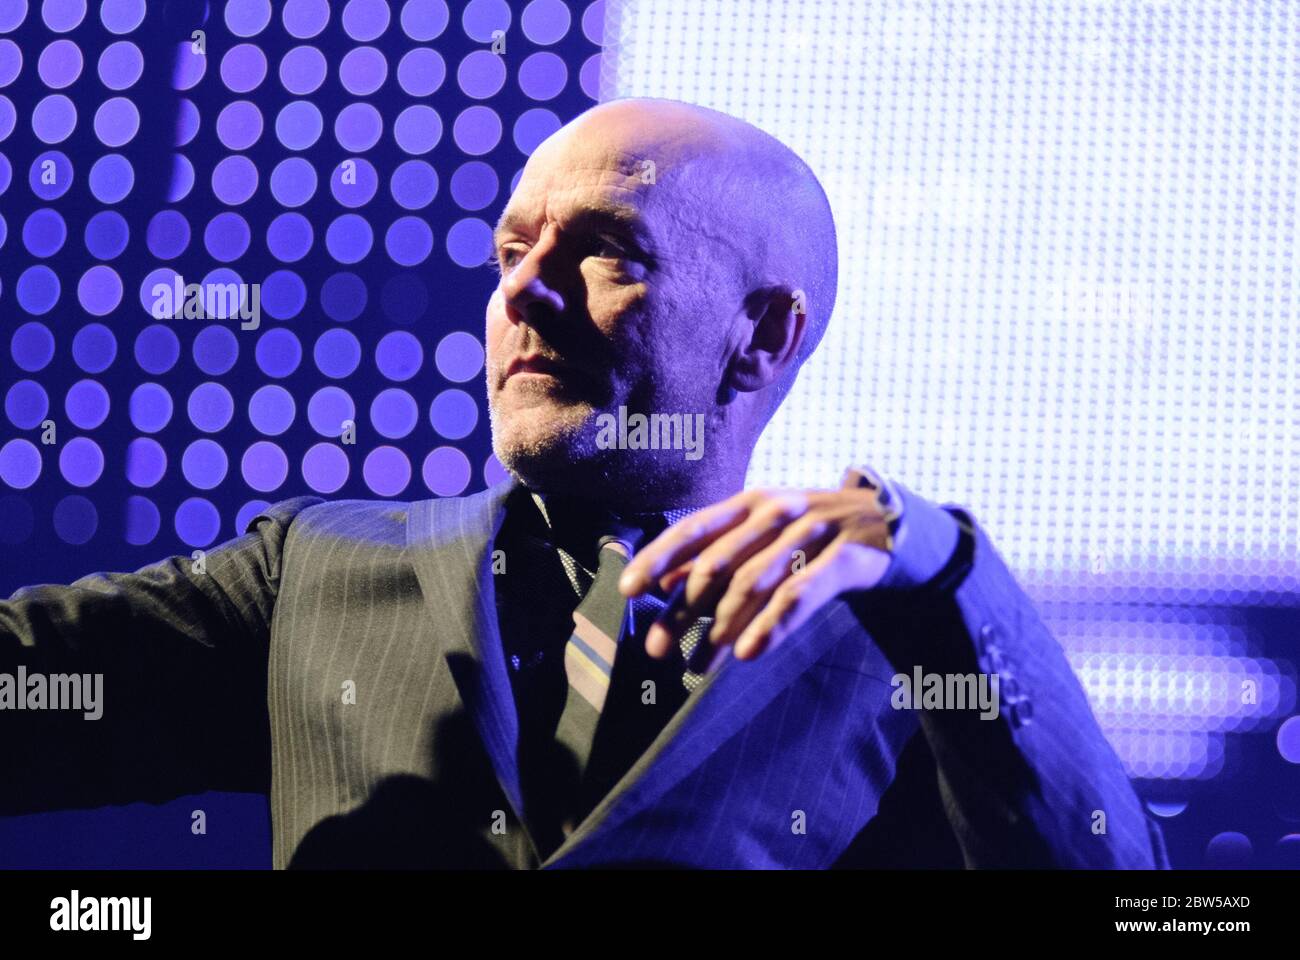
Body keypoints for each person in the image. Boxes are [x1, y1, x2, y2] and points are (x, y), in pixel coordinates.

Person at [0, 97, 1167, 869]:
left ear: (760, 335)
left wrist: (943, 571)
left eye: (605, 248)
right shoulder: (314, 573)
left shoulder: (890, 652)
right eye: (513, 251)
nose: (524, 294)